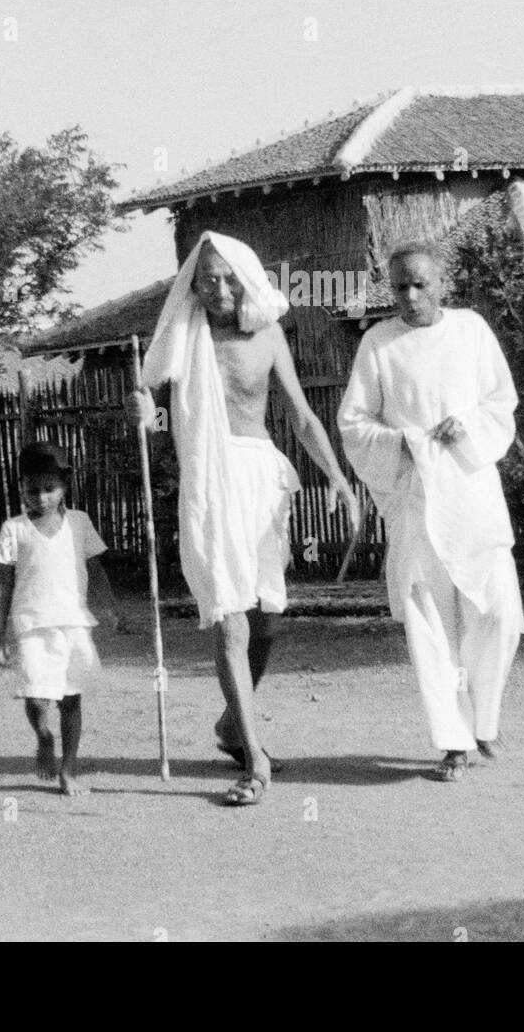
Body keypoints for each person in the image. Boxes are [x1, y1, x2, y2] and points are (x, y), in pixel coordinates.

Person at [127, 231, 360, 806]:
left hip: (260, 478)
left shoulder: (268, 334)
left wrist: (338, 479)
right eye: (207, 278)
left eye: (229, 277)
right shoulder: (183, 337)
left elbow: (302, 416)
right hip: (209, 478)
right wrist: (142, 411)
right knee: (230, 619)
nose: (219, 288)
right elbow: (151, 402)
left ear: (248, 277)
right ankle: (255, 759)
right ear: (193, 283)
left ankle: (232, 725)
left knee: (264, 622)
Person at [337, 240, 524, 782]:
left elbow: (500, 402)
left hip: (471, 490)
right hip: (417, 498)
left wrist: (466, 427)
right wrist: (406, 442)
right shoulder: (378, 343)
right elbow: (355, 423)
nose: (411, 296)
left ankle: (483, 718)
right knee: (430, 622)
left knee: (497, 612)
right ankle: (453, 741)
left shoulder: (471, 330)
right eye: (400, 286)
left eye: (421, 284)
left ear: (441, 282)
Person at [0, 441, 120, 796]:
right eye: (33, 490)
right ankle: (44, 736)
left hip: (73, 623)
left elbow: (95, 567)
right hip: (31, 625)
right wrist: (0, 636)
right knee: (35, 697)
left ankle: (69, 770)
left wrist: (109, 607)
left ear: (64, 486)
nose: (42, 498)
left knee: (72, 698)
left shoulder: (79, 523)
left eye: (50, 489)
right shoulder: (13, 530)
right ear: (21, 488)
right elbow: (3, 584)